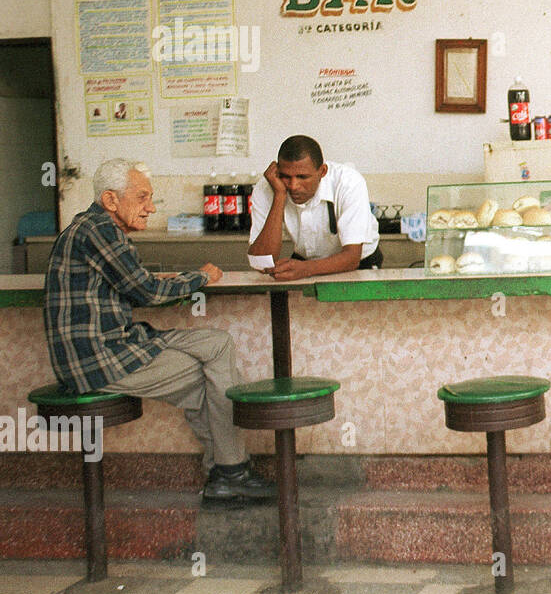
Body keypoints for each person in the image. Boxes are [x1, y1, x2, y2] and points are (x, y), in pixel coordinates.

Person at [43, 159, 275, 504]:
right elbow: (148, 293)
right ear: (110, 200)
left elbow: (136, 283)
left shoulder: (89, 228)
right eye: (141, 197)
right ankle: (229, 473)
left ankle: (226, 473)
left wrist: (170, 280)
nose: (150, 208)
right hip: (98, 361)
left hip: (111, 347)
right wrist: (201, 277)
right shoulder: (100, 230)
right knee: (209, 375)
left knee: (216, 348)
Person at [248, 134, 381, 280]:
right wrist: (279, 196)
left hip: (358, 263)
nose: (293, 186)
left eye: (302, 177)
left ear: (322, 171)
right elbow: (261, 262)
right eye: (286, 176)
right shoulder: (268, 186)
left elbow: (352, 257)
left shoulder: (349, 182)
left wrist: (305, 269)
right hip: (304, 263)